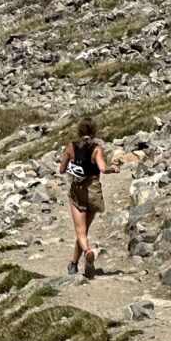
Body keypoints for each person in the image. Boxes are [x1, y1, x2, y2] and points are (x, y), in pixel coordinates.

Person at [60, 115, 119, 280]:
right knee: (84, 231)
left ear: (79, 131)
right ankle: (73, 264)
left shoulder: (70, 147)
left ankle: (87, 252)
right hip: (93, 190)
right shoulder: (97, 149)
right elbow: (103, 168)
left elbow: (62, 169)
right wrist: (114, 169)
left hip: (77, 190)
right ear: (94, 131)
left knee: (80, 232)